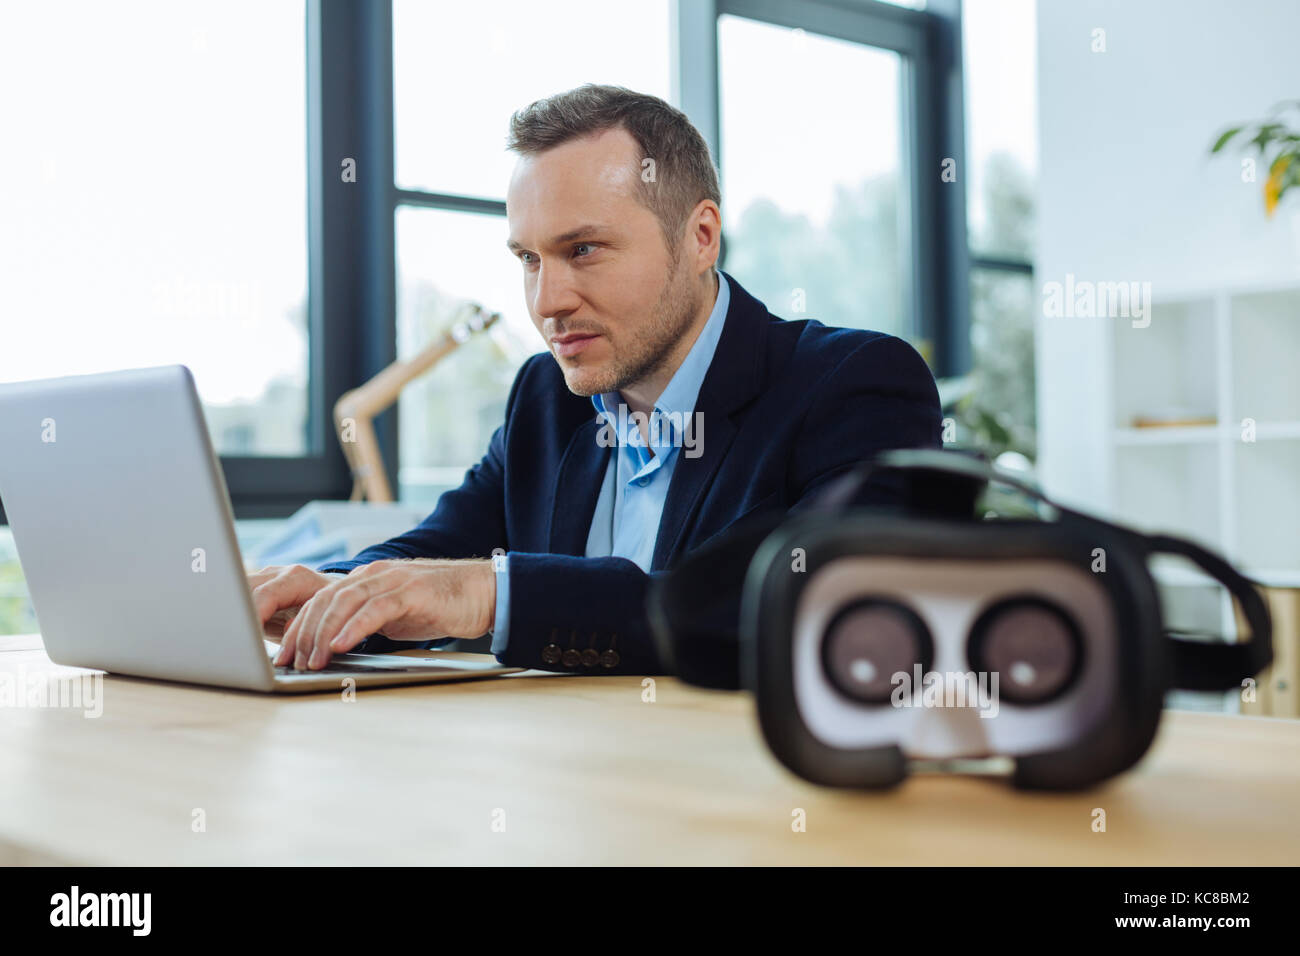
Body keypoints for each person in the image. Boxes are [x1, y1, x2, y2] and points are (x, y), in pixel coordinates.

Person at [250, 83, 941, 675]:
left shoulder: (854, 384)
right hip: (572, 789)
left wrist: (494, 594)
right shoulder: (547, 397)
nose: (548, 301)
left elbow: (829, 609)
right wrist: (327, 590)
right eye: (529, 258)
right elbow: (438, 551)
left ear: (701, 237)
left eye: (583, 250)